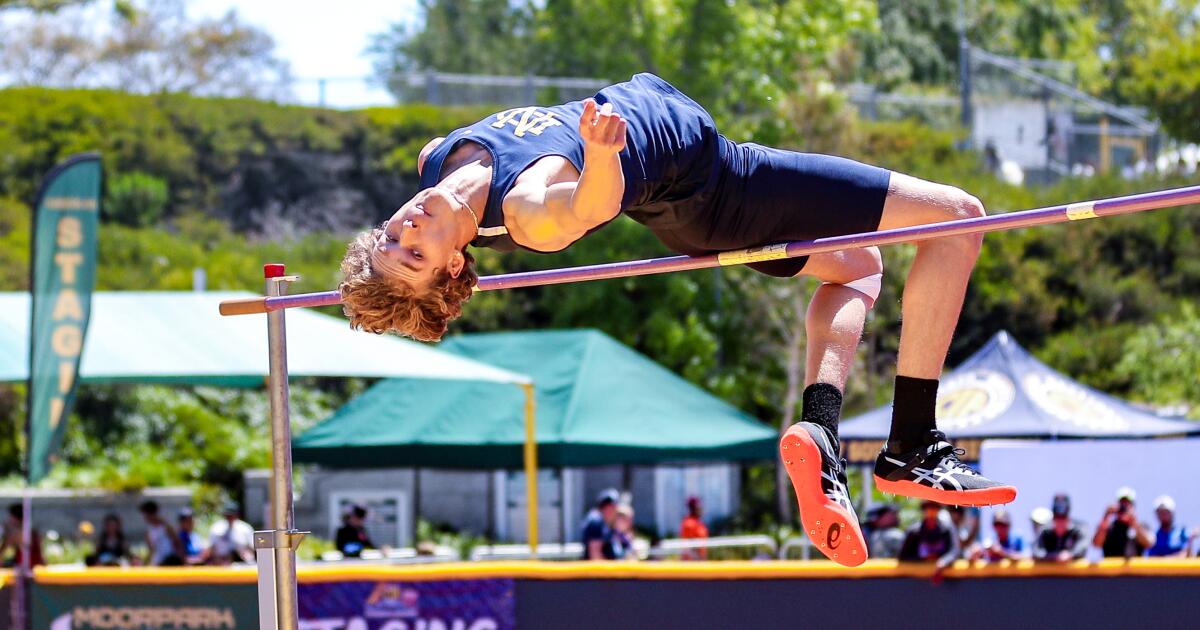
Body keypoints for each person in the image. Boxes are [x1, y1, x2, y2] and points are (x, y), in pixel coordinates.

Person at [337, 73, 1015, 566]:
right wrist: (601, 159)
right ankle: (913, 443)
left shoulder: (437, 157)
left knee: (858, 268)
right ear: (453, 267)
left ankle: (822, 430)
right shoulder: (527, 210)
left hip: (692, 195)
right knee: (959, 220)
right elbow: (582, 210)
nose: (407, 229)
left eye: (393, 240)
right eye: (416, 253)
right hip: (722, 189)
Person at [899, 501, 960, 574]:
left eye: (934, 508)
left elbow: (954, 550)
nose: (931, 512)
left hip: (943, 574)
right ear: (923, 511)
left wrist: (944, 561)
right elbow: (903, 556)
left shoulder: (946, 530)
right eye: (928, 508)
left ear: (938, 510)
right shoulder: (913, 532)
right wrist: (923, 558)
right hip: (917, 575)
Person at [1093, 487, 1151, 558]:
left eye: (1127, 504)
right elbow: (1096, 544)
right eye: (1121, 504)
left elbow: (1149, 543)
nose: (1123, 507)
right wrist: (1106, 516)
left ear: (1133, 506)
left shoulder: (1141, 526)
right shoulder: (1108, 526)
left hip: (1134, 568)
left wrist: (1134, 523)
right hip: (1112, 568)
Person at [1034, 494, 1087, 562]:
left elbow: (1083, 548)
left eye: (1063, 517)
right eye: (1057, 517)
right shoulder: (1045, 532)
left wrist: (1070, 555)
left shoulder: (1079, 529)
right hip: (1049, 572)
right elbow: (1036, 551)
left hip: (1074, 572)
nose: (1060, 521)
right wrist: (1054, 556)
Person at [206, 500, 255, 565]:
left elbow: (253, 548)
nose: (229, 517)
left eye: (232, 515)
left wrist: (245, 554)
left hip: (243, 563)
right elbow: (210, 549)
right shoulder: (216, 528)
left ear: (237, 515)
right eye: (227, 515)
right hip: (221, 564)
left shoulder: (245, 528)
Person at [139, 500, 184, 566]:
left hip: (169, 563)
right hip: (156, 564)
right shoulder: (148, 531)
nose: (144, 517)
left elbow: (178, 543)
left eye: (145, 514)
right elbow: (151, 550)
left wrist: (182, 560)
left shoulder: (166, 527)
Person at [0, 504, 44, 568]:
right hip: (35, 566)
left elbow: (3, 550)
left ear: (15, 517)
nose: (8, 519)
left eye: (10, 516)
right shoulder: (32, 532)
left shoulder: (20, 534)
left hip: (28, 569)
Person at [581, 489, 619, 560]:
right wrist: (609, 570)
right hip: (598, 570)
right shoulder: (596, 520)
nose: (615, 509)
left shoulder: (602, 521)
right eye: (614, 506)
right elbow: (595, 553)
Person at [678, 496, 709, 560]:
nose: (702, 510)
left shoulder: (698, 522)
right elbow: (689, 546)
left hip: (699, 559)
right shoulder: (689, 523)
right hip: (692, 562)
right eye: (699, 508)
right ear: (693, 509)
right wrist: (699, 559)